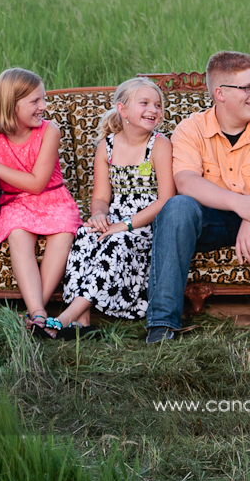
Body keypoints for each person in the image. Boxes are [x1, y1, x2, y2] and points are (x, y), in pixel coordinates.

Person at [145, 51, 250, 344]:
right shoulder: (191, 128)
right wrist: (240, 205)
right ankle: (162, 324)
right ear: (220, 93)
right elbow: (186, 180)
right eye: (247, 88)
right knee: (177, 207)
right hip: (211, 220)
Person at [0, 68, 83, 338]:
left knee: (63, 233)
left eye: (43, 100)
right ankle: (40, 313)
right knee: (18, 234)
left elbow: (37, 183)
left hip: (52, 197)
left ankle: (33, 315)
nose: (43, 107)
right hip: (16, 201)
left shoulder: (49, 131)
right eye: (35, 101)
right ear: (11, 104)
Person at [53, 78, 174, 338]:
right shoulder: (106, 146)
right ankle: (82, 324)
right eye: (144, 103)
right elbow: (101, 197)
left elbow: (166, 199)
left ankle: (63, 318)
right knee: (85, 236)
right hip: (115, 217)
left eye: (157, 105)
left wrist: (126, 225)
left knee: (116, 241)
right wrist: (98, 215)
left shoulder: (159, 146)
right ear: (123, 109)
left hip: (147, 222)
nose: (153, 109)